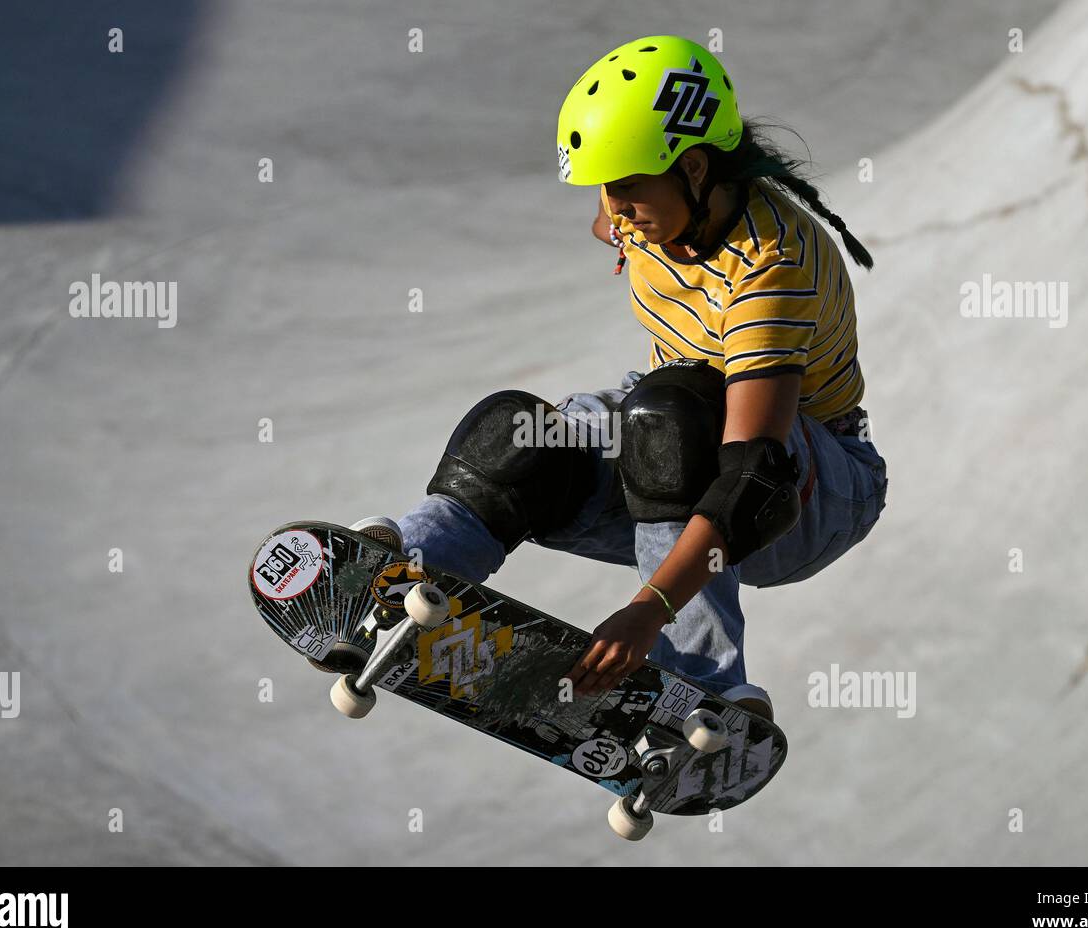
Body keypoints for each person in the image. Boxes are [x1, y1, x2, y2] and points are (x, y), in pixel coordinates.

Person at [363, 35, 888, 721]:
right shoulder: (643, 210)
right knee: (520, 437)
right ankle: (407, 573)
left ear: (696, 169)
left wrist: (650, 611)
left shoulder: (769, 268)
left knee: (669, 414)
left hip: (809, 491)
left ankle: (704, 682)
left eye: (628, 187)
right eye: (605, 190)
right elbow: (611, 210)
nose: (614, 209)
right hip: (695, 438)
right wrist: (617, 195)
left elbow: (753, 476)